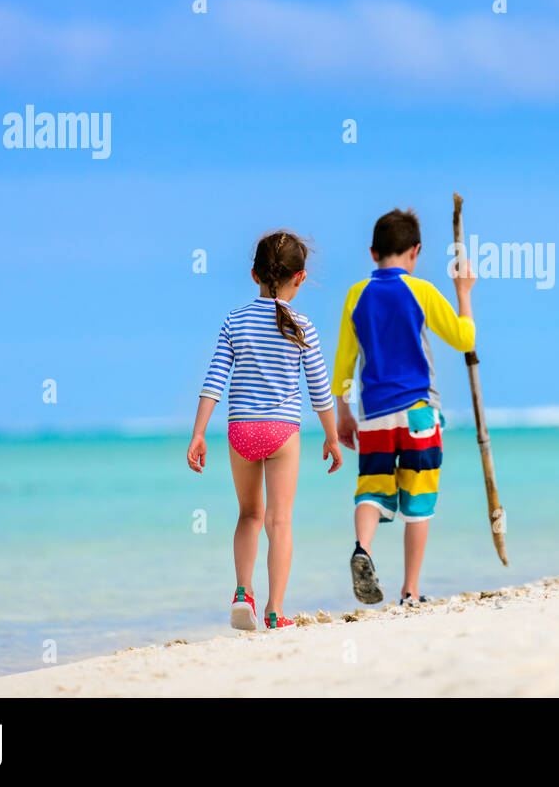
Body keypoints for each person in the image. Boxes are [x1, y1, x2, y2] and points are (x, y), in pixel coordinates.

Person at [187, 230, 343, 630]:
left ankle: (242, 592)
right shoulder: (302, 325)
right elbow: (319, 389)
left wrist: (198, 433)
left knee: (249, 515)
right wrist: (331, 436)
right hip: (282, 432)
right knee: (280, 521)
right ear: (301, 278)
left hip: (240, 430)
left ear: (254, 274)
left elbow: (214, 380)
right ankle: (274, 611)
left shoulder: (234, 321)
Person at [331, 208, 475, 606]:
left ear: (373, 252)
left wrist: (343, 411)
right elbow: (464, 339)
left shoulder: (356, 295)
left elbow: (344, 363)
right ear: (416, 252)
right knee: (418, 500)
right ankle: (410, 590)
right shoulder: (422, 291)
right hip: (418, 411)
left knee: (371, 492)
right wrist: (463, 292)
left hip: (374, 414)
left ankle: (363, 548)